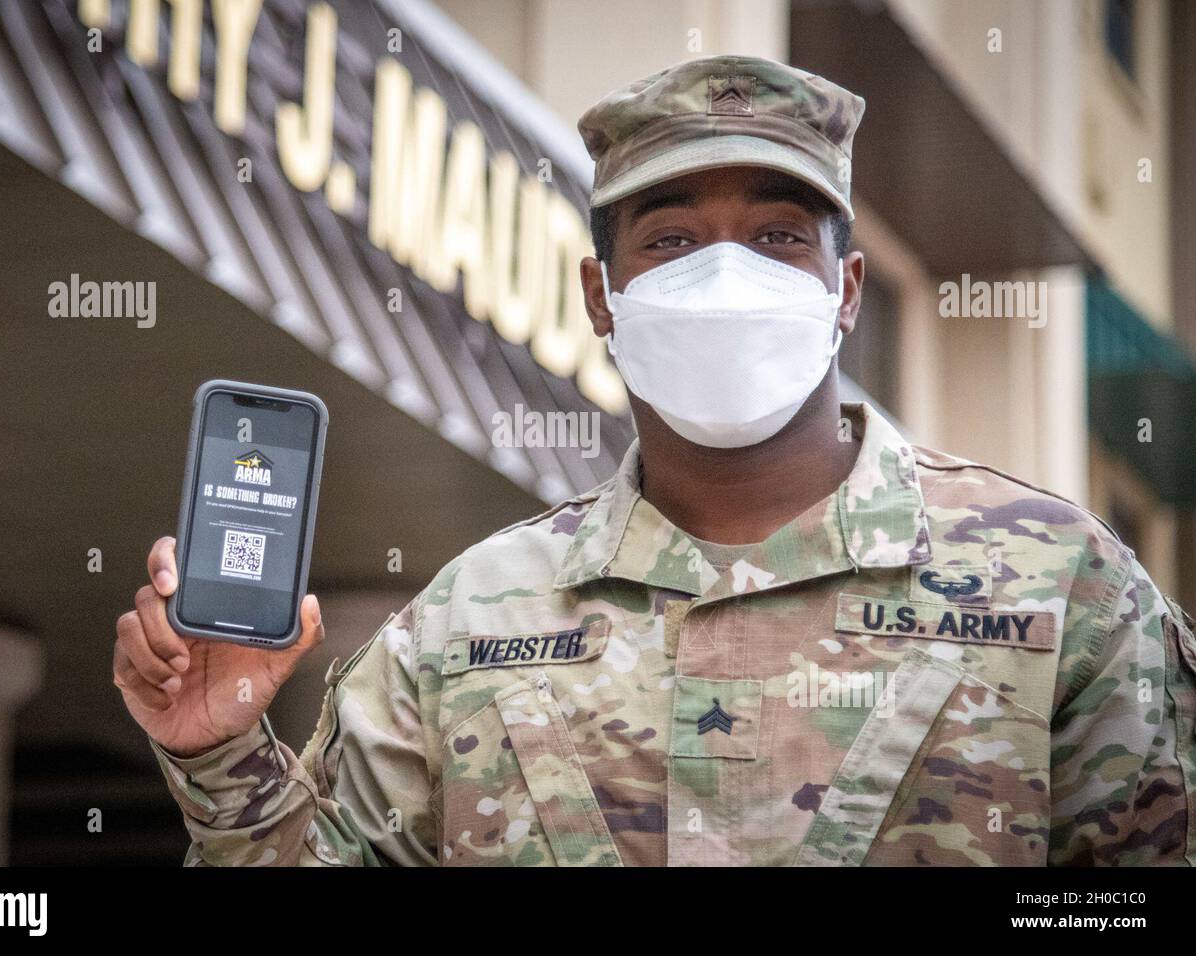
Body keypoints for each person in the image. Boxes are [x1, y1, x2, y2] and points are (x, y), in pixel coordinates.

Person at [113, 55, 1196, 866]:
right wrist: (220, 751)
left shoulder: (1060, 585)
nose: (726, 276)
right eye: (671, 239)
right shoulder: (468, 621)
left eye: (777, 235)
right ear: (601, 295)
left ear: (846, 291)